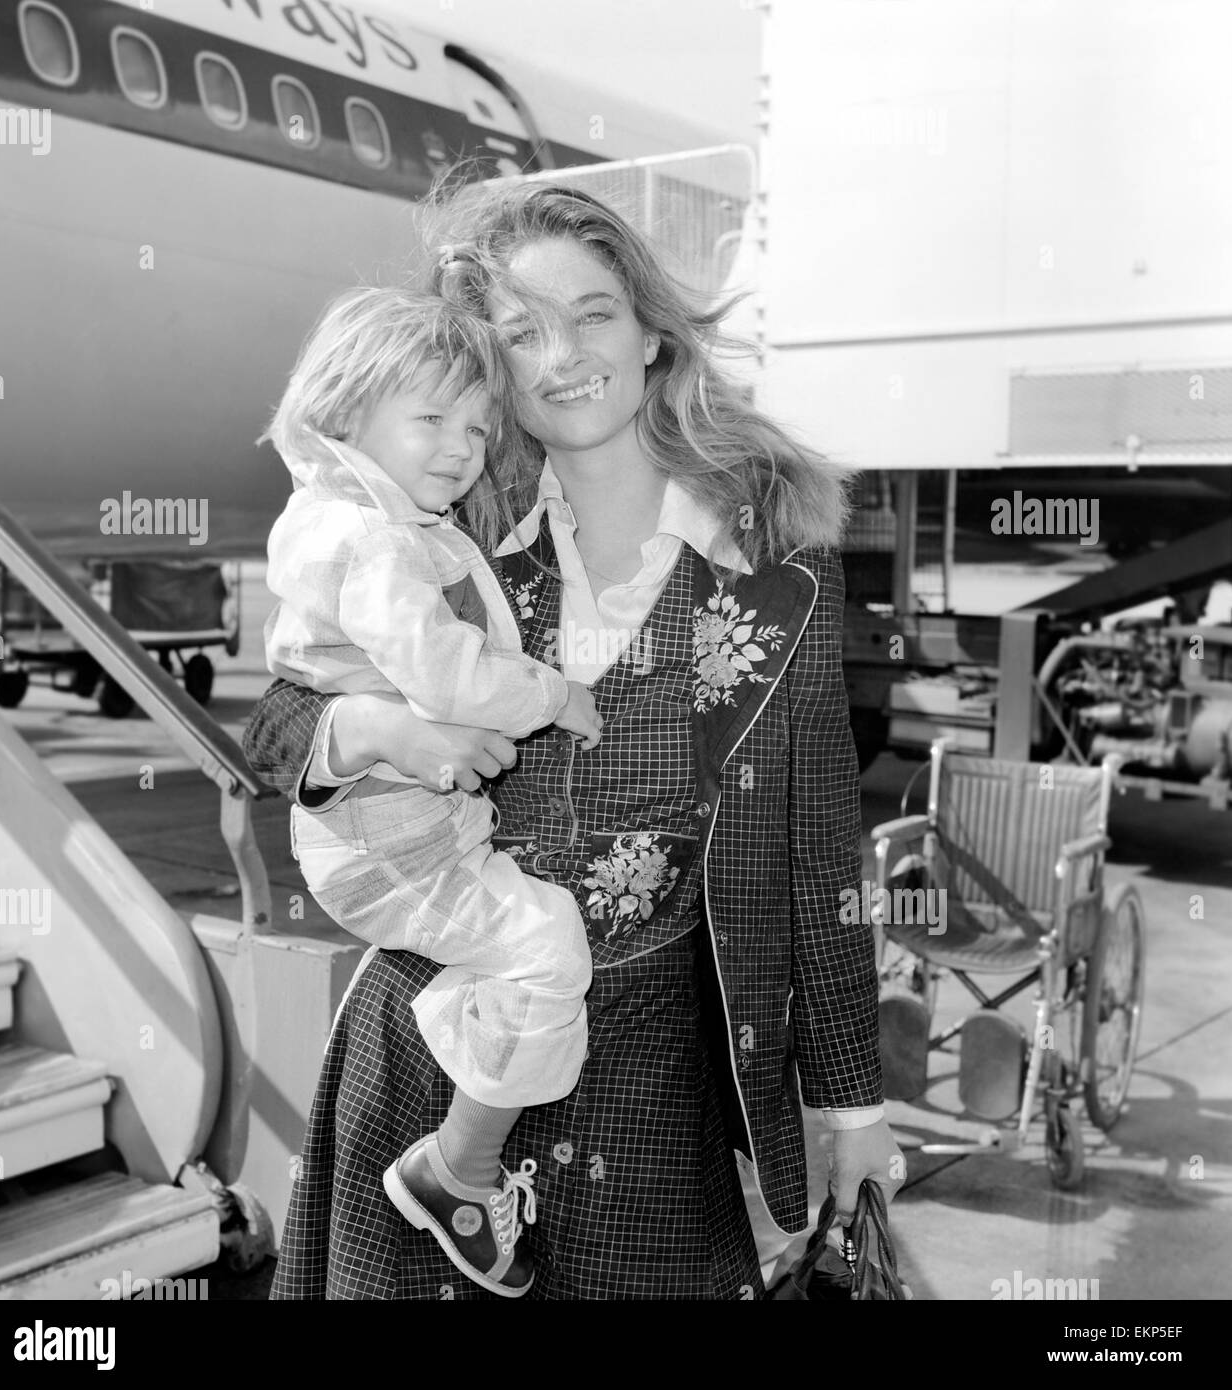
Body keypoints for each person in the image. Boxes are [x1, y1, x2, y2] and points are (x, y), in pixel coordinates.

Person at [245, 180, 903, 1300]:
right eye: (519, 331)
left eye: (592, 313)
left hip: (650, 1089)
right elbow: (273, 728)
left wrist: (850, 1100)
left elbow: (816, 851)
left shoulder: (775, 564)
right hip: (430, 1063)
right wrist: (357, 728)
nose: (561, 353)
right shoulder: (445, 538)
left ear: (651, 331)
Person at [260, 287, 602, 1296]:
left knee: (532, 944)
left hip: (399, 831)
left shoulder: (389, 518)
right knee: (545, 945)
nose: (460, 448)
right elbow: (435, 674)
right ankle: (458, 1165)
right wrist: (556, 695)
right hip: (381, 836)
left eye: (475, 427)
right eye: (431, 420)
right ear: (345, 410)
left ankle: (464, 1129)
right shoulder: (366, 536)